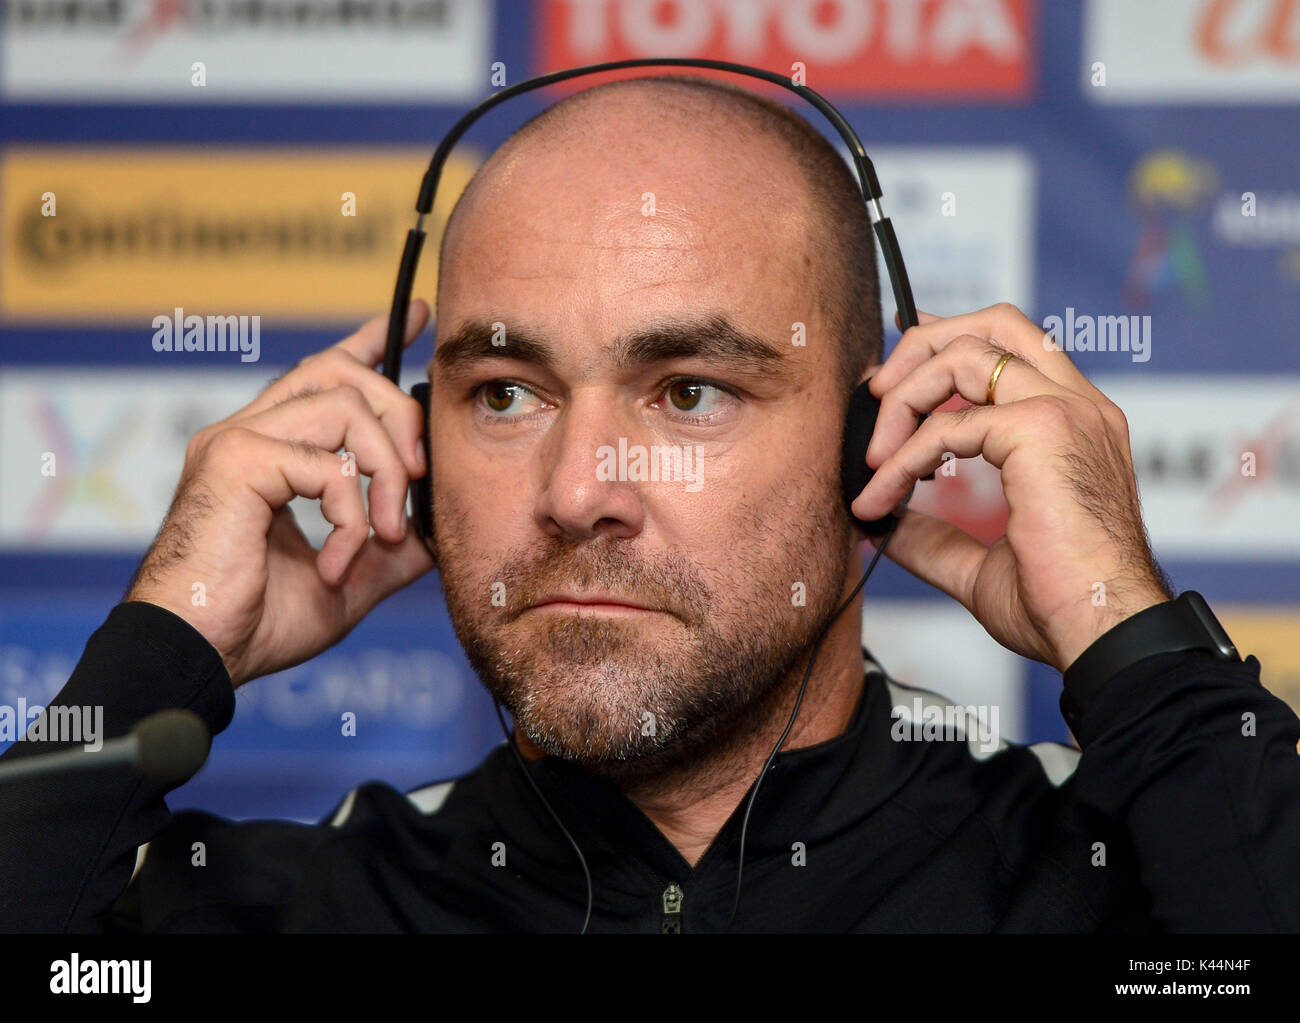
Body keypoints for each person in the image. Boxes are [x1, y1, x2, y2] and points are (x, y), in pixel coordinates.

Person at [2, 75, 1296, 933]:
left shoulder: (1126, 879)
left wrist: (1133, 644)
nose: (576, 494)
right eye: (506, 394)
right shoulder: (298, 905)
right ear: (417, 447)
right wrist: (163, 644)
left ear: (877, 442)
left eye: (688, 392)